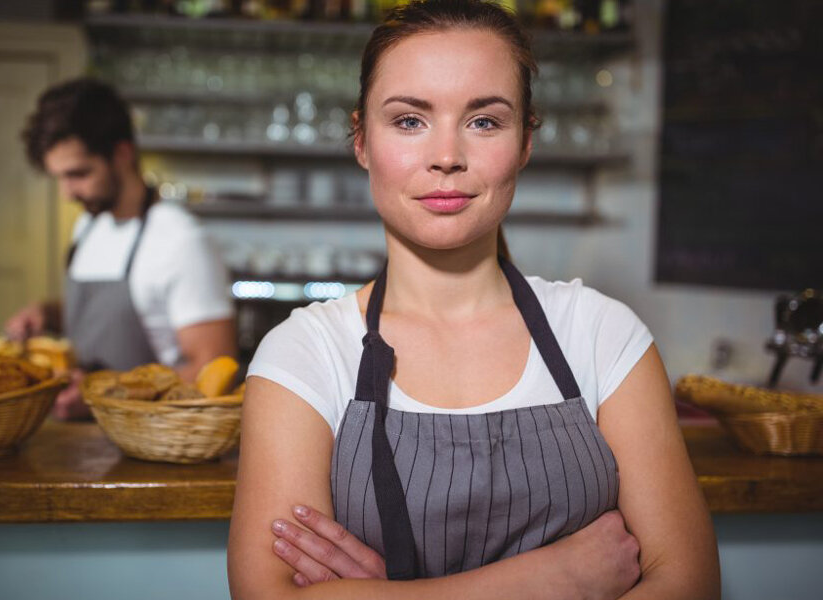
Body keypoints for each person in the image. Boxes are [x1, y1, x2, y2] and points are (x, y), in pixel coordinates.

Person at [228, 1, 719, 598]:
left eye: (484, 121)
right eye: (410, 120)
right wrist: (553, 578)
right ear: (361, 139)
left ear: (526, 142)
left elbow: (689, 583)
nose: (446, 156)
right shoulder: (303, 354)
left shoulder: (602, 334)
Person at [7, 78, 236, 420]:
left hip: (148, 444)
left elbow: (215, 367)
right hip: (82, 438)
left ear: (122, 154)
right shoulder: (89, 226)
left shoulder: (180, 240)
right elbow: (108, 315)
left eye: (79, 174)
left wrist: (104, 394)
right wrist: (49, 314)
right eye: (60, 178)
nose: (67, 193)